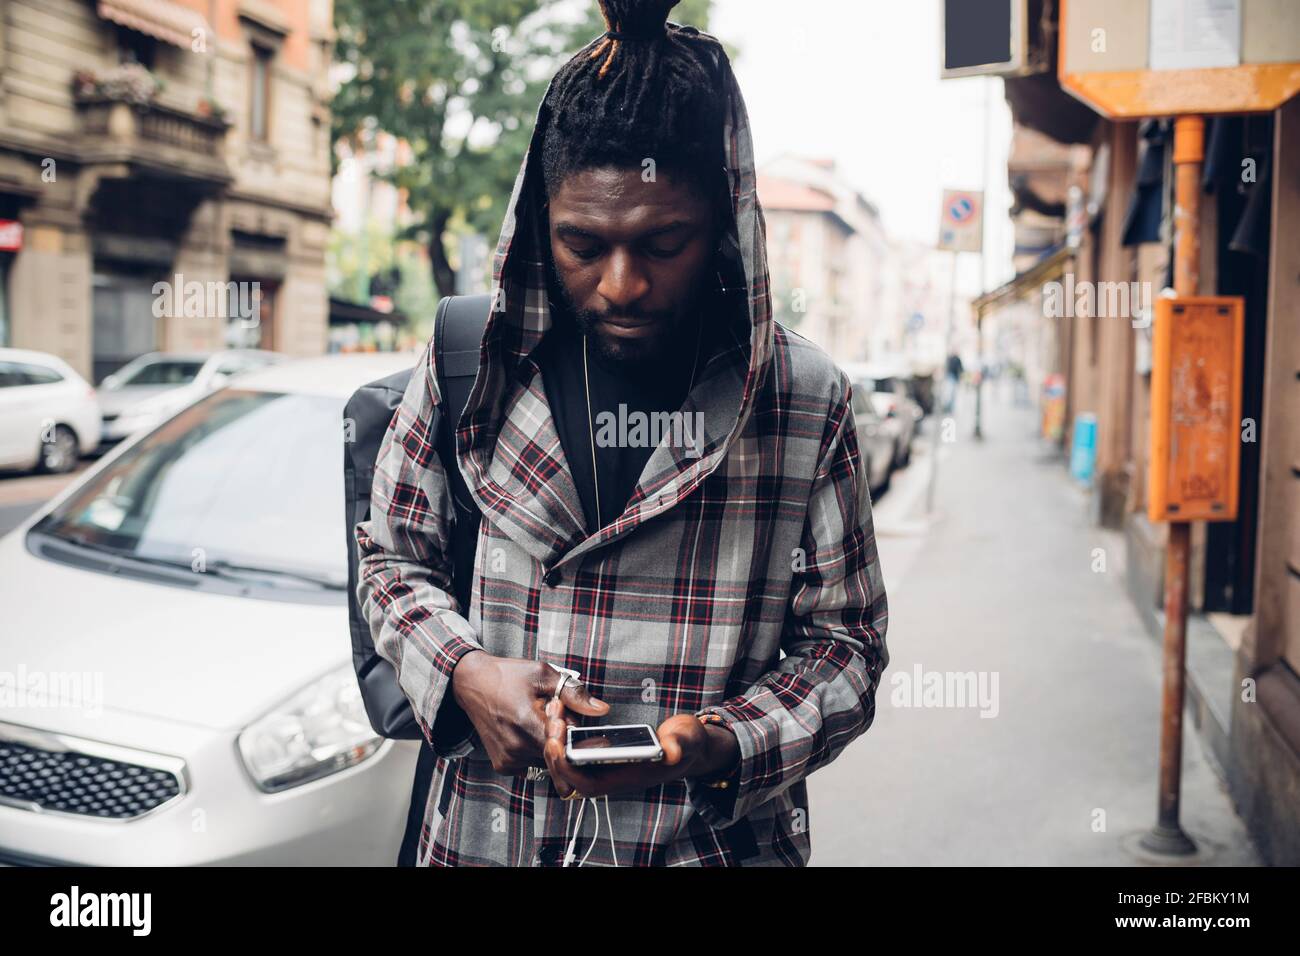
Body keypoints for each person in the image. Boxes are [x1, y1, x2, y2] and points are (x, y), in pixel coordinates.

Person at [355, 0, 889, 867]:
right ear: (540, 223)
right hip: (484, 842)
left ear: (722, 221)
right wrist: (464, 670)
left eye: (663, 241)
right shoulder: (467, 357)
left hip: (704, 848)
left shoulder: (803, 398)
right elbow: (389, 561)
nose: (622, 283)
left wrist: (722, 743)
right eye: (582, 243)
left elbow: (847, 645)